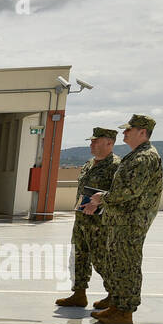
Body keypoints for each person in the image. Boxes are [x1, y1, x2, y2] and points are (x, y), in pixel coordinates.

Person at [83, 114, 162, 324]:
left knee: (128, 265)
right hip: (122, 220)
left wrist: (103, 198)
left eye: (129, 130)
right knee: (118, 264)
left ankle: (125, 312)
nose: (124, 133)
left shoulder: (144, 157)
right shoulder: (136, 155)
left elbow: (130, 190)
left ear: (142, 132)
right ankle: (117, 306)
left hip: (131, 221)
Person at [56, 127, 119, 308]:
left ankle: (113, 294)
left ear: (109, 143)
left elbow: (118, 193)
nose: (91, 144)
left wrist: (100, 202)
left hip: (100, 223)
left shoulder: (116, 166)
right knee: (78, 257)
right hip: (82, 220)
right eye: (91, 141)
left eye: (95, 141)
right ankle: (79, 293)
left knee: (102, 259)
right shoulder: (89, 164)